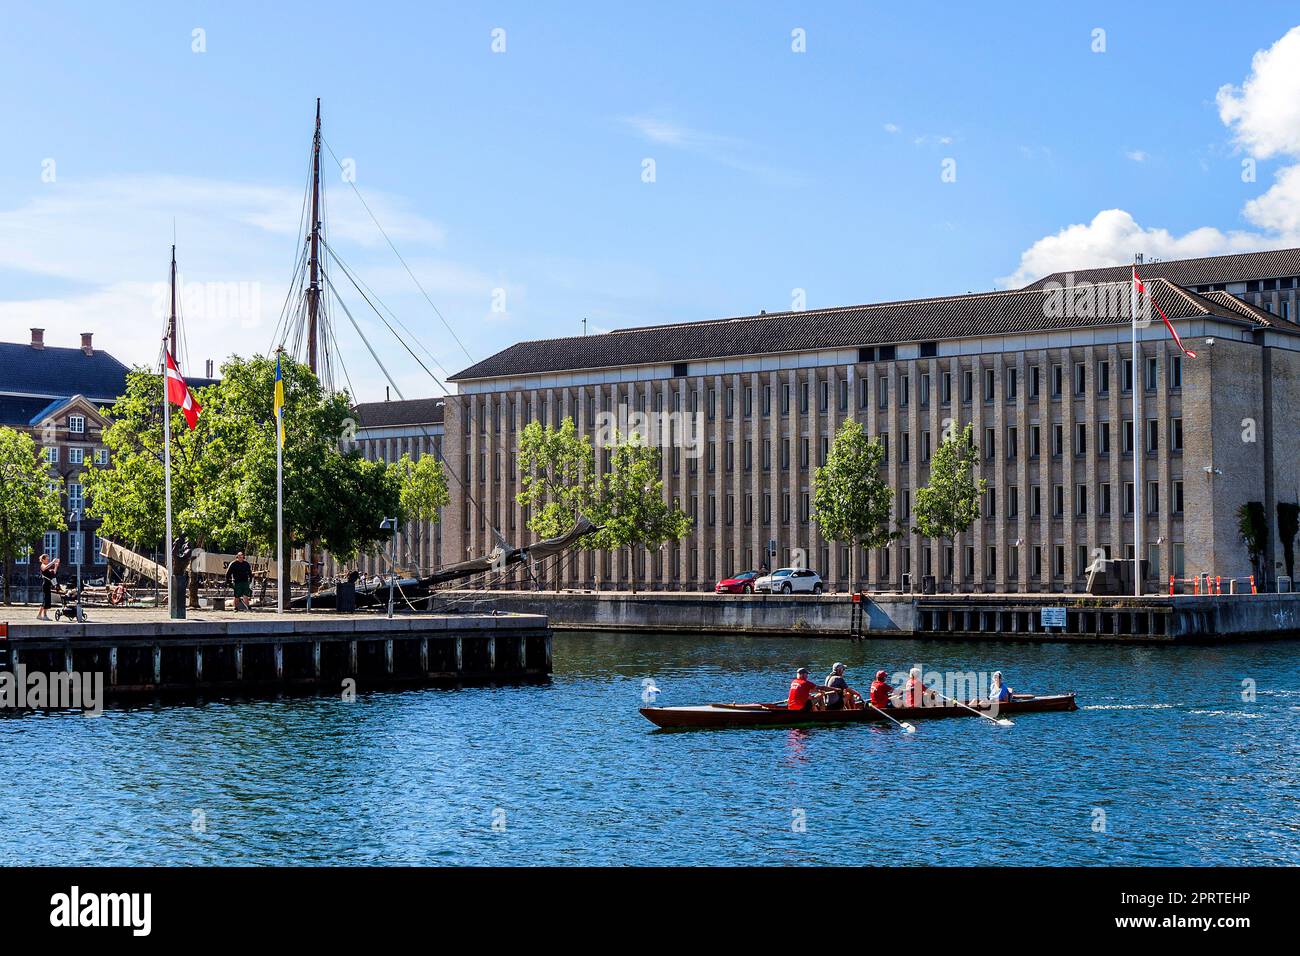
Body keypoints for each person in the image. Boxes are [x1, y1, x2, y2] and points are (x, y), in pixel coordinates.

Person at [36, 554, 60, 621]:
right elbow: (44, 568)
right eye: (47, 559)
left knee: (45, 600)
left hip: (48, 585)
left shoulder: (47, 567)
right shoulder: (43, 565)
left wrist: (56, 565)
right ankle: (45, 615)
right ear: (43, 560)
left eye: (48, 559)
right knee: (46, 601)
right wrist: (52, 562)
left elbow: (54, 573)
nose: (48, 560)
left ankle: (39, 615)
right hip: (45, 585)